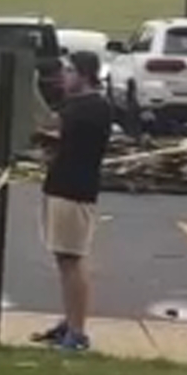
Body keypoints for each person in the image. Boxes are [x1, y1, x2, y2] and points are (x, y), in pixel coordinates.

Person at [32, 50, 111, 352]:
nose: (63, 77)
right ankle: (69, 321)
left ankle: (78, 332)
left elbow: (53, 127)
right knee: (62, 258)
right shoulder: (75, 105)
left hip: (75, 190)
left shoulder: (94, 107)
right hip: (59, 185)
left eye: (68, 71)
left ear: (84, 74)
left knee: (72, 259)